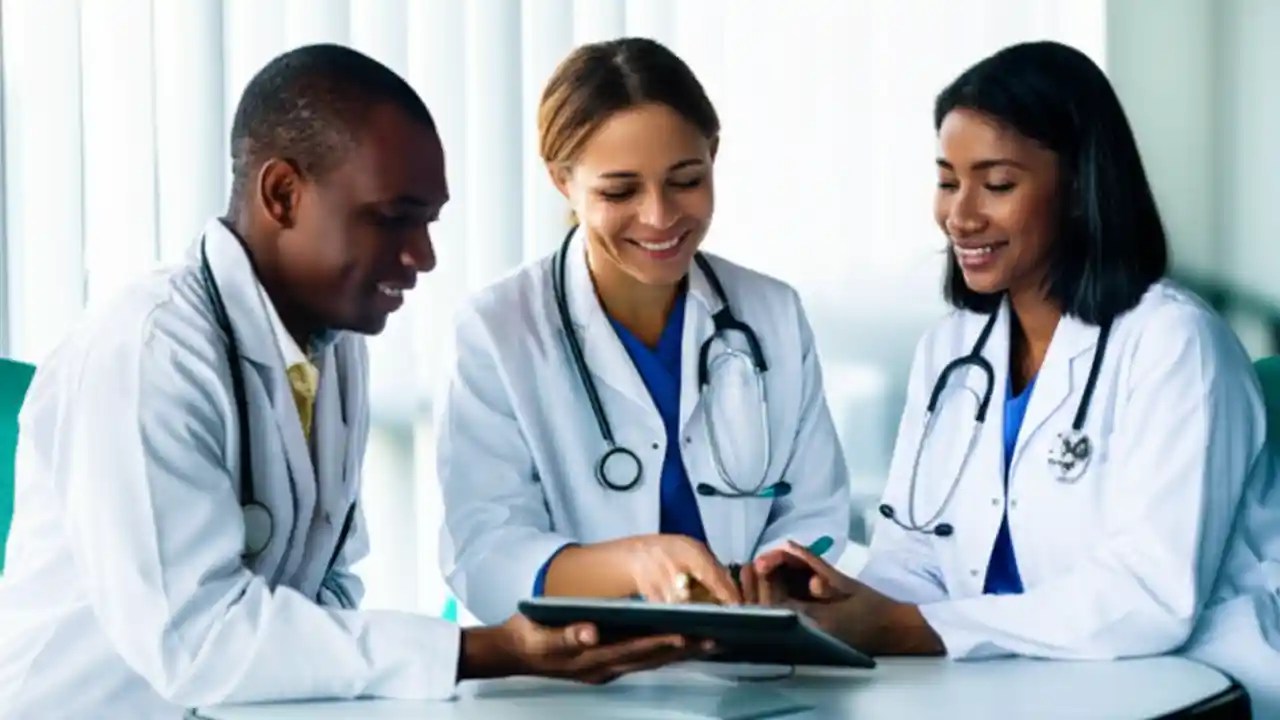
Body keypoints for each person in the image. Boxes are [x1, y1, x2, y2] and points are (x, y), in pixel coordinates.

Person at [0, 44, 705, 719]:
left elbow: (326, 585)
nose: (422, 256)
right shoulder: (148, 351)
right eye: (393, 219)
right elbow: (196, 641)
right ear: (283, 193)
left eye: (428, 222)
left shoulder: (330, 344)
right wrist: (487, 650)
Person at [752, 40, 1280, 714]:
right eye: (948, 181)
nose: (960, 215)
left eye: (997, 184)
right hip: (1010, 686)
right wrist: (839, 599)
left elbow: (1151, 601)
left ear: (1082, 188)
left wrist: (909, 628)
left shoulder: (1174, 343)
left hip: (1191, 686)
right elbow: (914, 556)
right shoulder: (950, 352)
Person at [436, 37, 850, 624]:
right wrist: (636, 563)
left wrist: (776, 575)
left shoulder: (771, 314)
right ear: (563, 181)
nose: (659, 217)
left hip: (751, 661)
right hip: (579, 682)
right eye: (620, 191)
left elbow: (817, 511)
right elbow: (487, 554)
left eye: (685, 180)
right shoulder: (499, 330)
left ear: (713, 154)